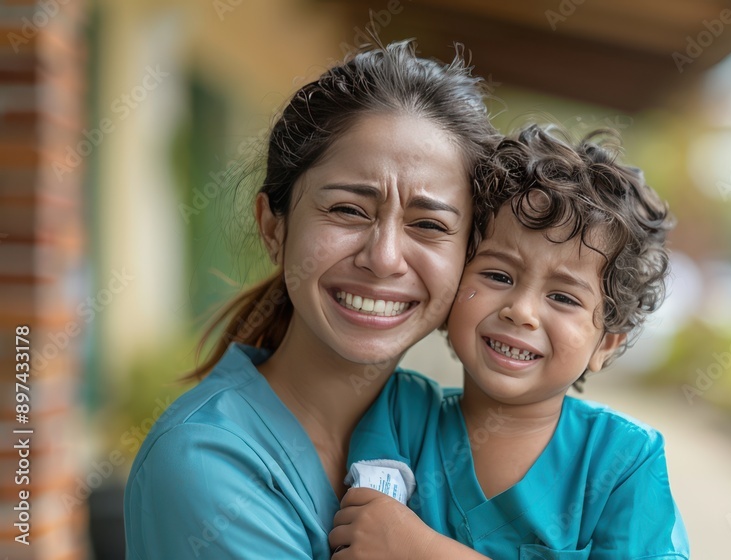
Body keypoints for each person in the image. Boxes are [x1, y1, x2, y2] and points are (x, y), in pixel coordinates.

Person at [123, 40, 505, 559]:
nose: (385, 257)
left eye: (429, 224)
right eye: (348, 210)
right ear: (272, 227)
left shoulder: (442, 431)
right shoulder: (206, 462)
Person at [331, 124, 690, 559]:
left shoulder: (623, 460)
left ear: (606, 344)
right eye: (498, 276)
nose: (520, 310)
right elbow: (361, 534)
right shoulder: (399, 415)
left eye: (562, 297)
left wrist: (422, 549)